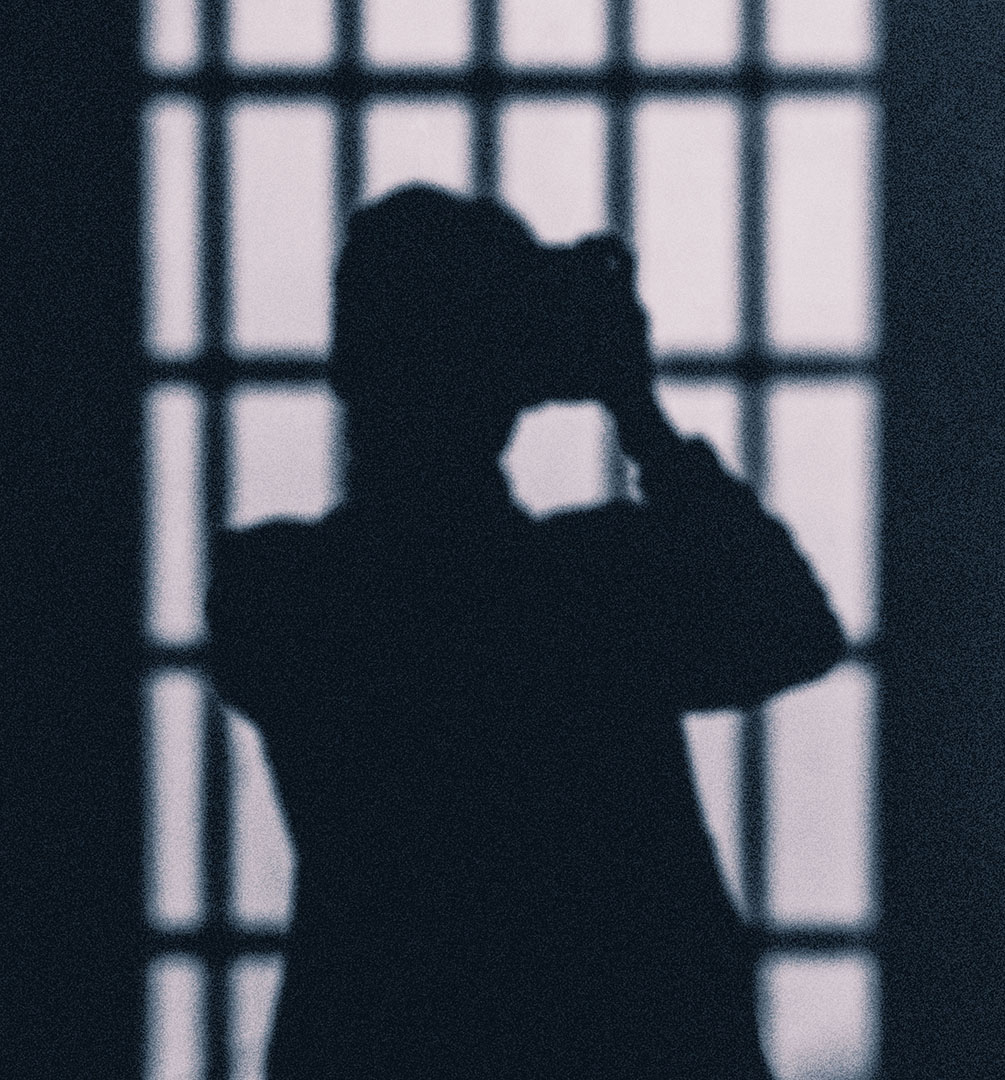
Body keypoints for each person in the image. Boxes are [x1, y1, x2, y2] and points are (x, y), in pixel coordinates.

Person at [207, 185, 846, 1079]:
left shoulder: (278, 590)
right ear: (517, 375)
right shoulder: (596, 585)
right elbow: (794, 628)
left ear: (348, 366)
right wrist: (638, 410)